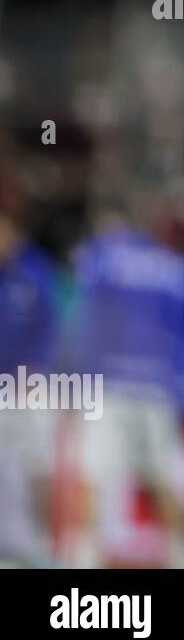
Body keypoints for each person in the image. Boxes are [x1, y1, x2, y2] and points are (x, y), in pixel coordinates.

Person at [65, 198, 184, 567]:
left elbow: (78, 315)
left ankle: (82, 561)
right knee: (169, 486)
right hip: (159, 392)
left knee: (96, 479)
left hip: (108, 390)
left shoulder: (105, 258)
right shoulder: (180, 270)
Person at [0, 211, 60, 565]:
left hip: (30, 389)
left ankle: (43, 546)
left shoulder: (37, 274)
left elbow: (53, 328)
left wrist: (36, 371)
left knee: (37, 467)